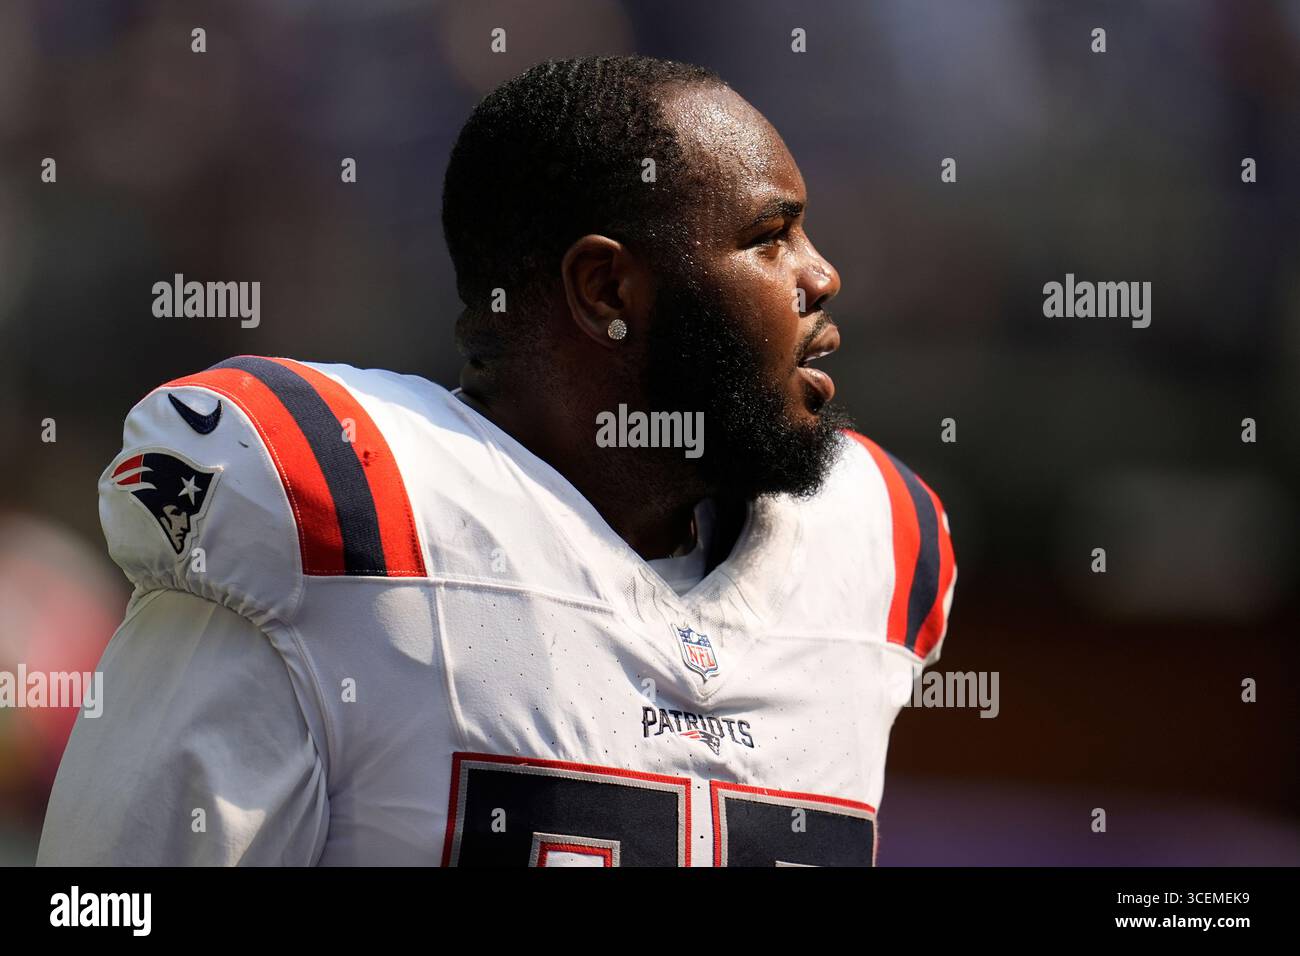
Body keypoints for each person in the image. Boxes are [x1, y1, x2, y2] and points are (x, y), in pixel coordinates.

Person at [38, 54, 955, 866]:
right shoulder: (336, 519)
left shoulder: (870, 546)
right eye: (769, 236)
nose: (822, 275)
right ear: (607, 290)